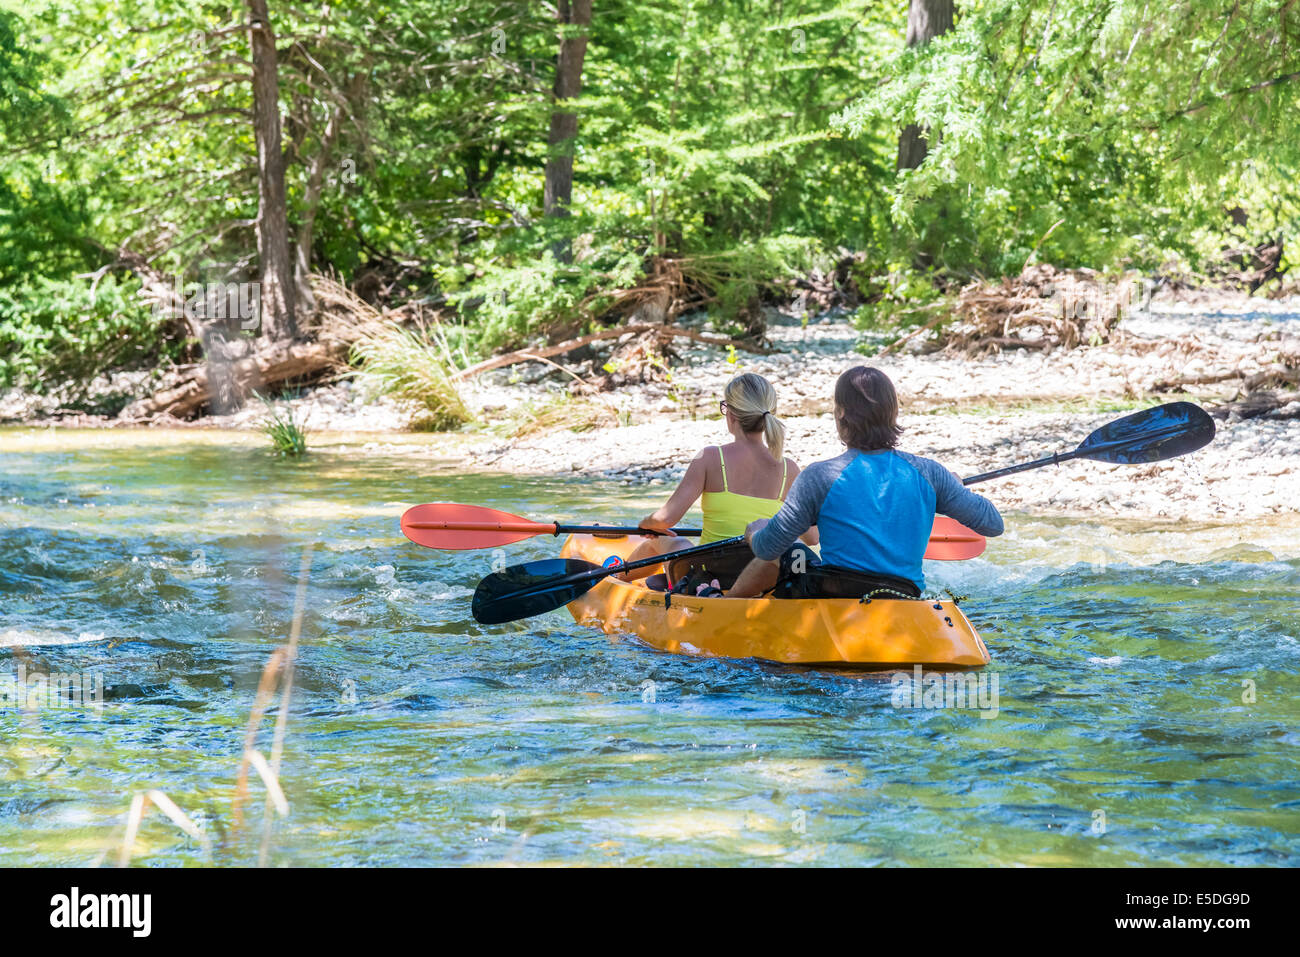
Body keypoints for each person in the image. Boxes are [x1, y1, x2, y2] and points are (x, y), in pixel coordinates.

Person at [731, 365, 1003, 598]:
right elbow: (993, 524)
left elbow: (768, 548)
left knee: (794, 552)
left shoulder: (820, 476)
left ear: (840, 414)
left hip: (837, 597)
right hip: (902, 596)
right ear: (893, 414)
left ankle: (729, 602)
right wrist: (950, 487)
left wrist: (755, 531)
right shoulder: (929, 473)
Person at [620, 372, 816, 589]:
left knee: (659, 540)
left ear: (731, 414)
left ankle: (616, 579)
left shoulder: (710, 458)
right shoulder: (790, 468)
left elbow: (665, 520)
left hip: (709, 575)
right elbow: (812, 538)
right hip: (761, 577)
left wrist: (647, 524)